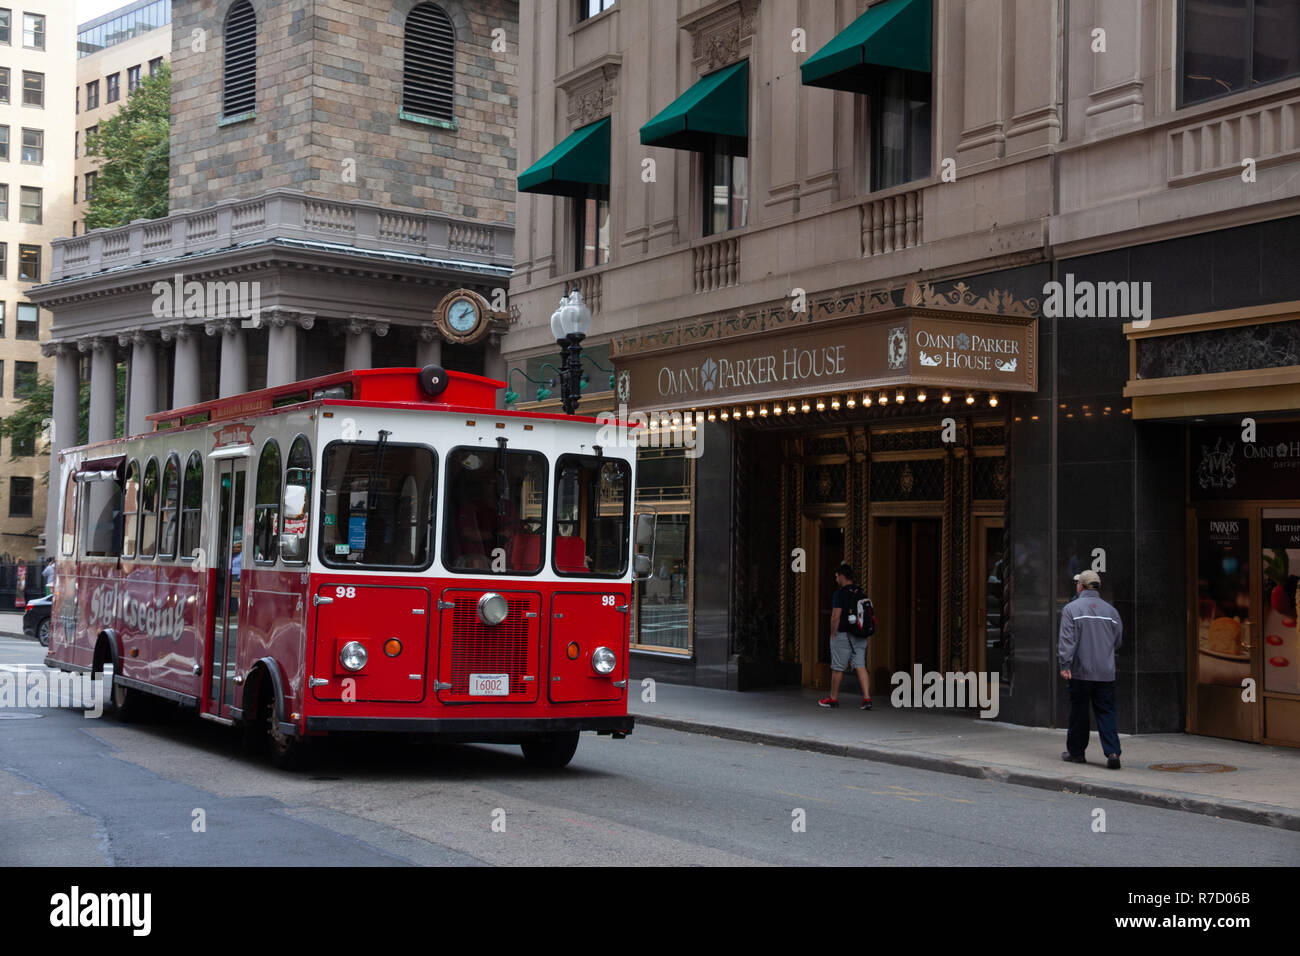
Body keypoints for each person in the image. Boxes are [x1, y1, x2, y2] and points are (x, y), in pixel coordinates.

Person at [1058, 569, 1124, 768]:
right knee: (1106, 711)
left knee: (1079, 713)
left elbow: (1067, 641)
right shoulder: (1111, 611)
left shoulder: (1071, 609)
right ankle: (1113, 754)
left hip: (1080, 671)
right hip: (1106, 672)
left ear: (1081, 586)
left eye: (1078, 583)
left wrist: (1065, 664)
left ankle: (1077, 753)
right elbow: (1118, 641)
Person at [819, 563, 872, 710]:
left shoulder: (840, 593)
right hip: (860, 634)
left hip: (843, 633)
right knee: (860, 665)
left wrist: (832, 633)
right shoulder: (860, 592)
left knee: (837, 667)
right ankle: (867, 698)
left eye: (836, 576)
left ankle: (833, 698)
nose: (836, 579)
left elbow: (836, 616)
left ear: (842, 576)